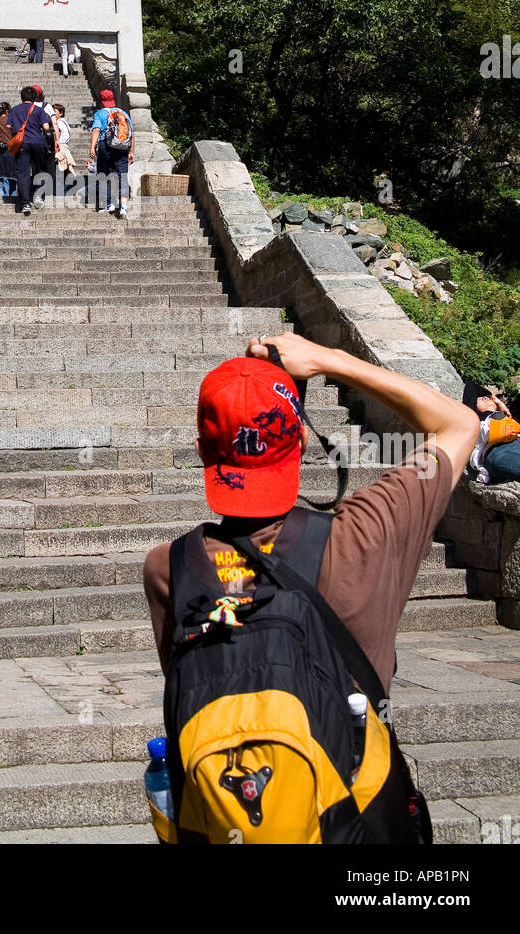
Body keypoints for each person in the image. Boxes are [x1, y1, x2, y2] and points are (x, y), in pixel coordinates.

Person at [143, 330, 480, 842]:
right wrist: (331, 360)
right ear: (300, 440)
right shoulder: (368, 533)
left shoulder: (170, 569)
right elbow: (459, 424)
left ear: (201, 451)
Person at [88, 88, 134, 219]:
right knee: (122, 176)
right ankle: (123, 208)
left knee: (104, 174)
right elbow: (132, 133)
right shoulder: (122, 112)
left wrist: (92, 147)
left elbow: (96, 130)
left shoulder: (100, 113)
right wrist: (131, 151)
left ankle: (110, 204)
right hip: (122, 146)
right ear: (113, 100)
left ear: (101, 101)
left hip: (105, 145)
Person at [7, 84, 52, 217]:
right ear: (34, 97)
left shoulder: (14, 110)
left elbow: (9, 125)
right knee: (40, 169)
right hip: (37, 142)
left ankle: (25, 203)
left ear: (21, 97)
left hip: (21, 144)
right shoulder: (38, 110)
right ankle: (38, 197)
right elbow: (45, 127)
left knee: (23, 173)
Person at [463, 380, 520, 484]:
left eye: (488, 398)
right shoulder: (474, 418)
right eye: (480, 399)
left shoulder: (508, 417)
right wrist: (497, 400)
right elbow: (471, 386)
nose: (486, 398)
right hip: (497, 449)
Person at [52, 103, 76, 176]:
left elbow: (57, 133)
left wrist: (56, 144)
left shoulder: (58, 122)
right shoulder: (64, 122)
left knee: (60, 165)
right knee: (64, 165)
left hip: (60, 146)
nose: (52, 113)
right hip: (65, 146)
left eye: (54, 111)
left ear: (61, 113)